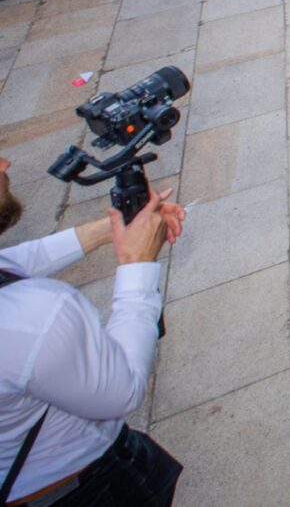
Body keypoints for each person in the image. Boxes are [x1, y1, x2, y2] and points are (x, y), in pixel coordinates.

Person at [0, 151, 187, 506]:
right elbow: (123, 391)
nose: (5, 163)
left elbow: (13, 262)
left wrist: (110, 230)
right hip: (82, 490)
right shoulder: (33, 318)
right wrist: (137, 264)